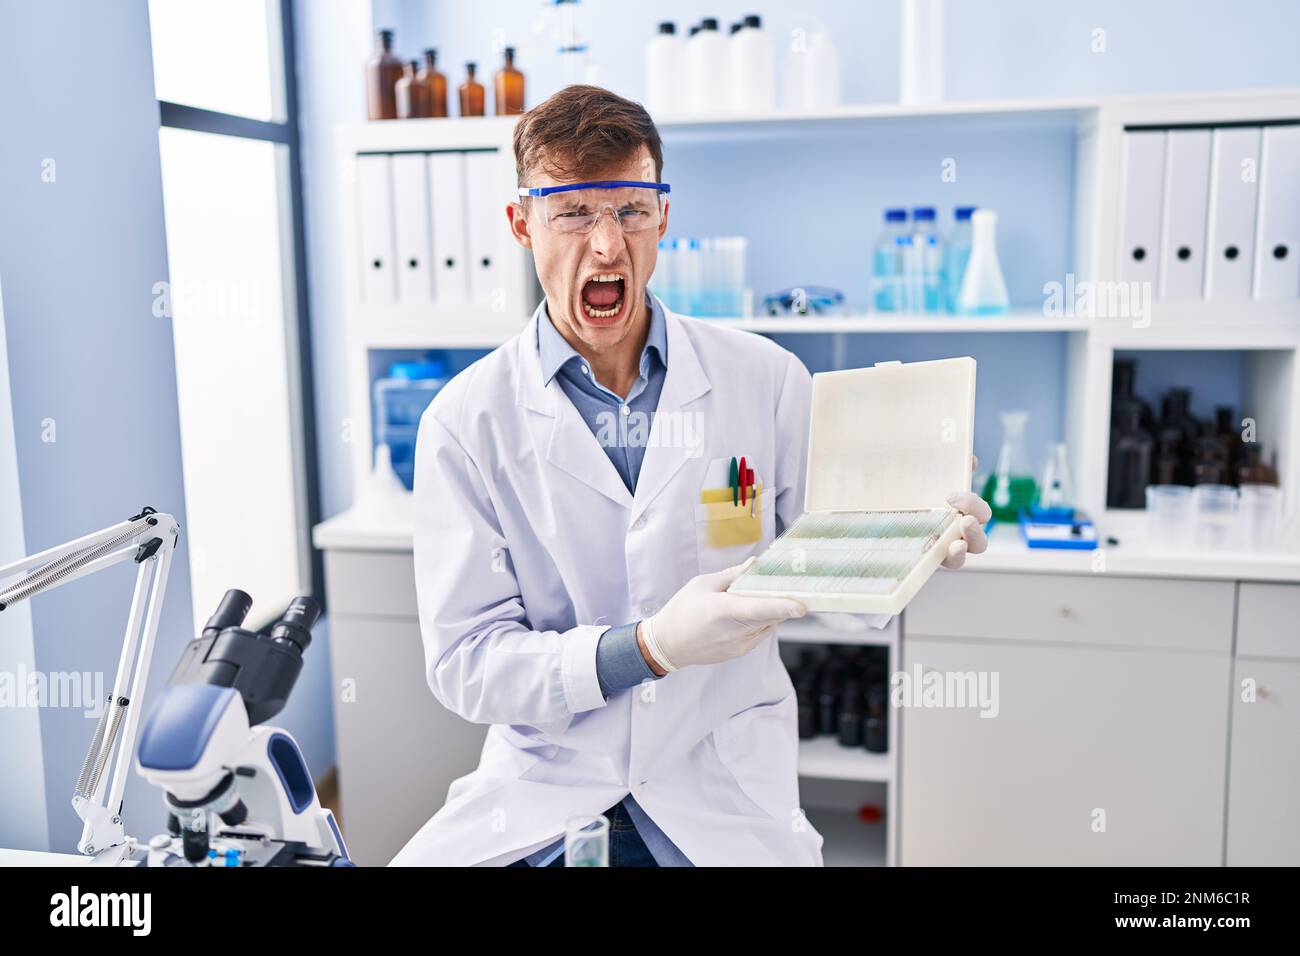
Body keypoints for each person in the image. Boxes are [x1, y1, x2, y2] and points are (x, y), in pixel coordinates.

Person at [389, 85, 990, 867]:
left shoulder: (765, 378)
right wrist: (644, 648)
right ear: (521, 223)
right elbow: (467, 665)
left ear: (663, 217)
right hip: (548, 792)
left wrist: (914, 538)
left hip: (723, 791)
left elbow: (840, 587)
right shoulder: (465, 422)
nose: (607, 247)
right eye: (573, 212)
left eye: (631, 211)